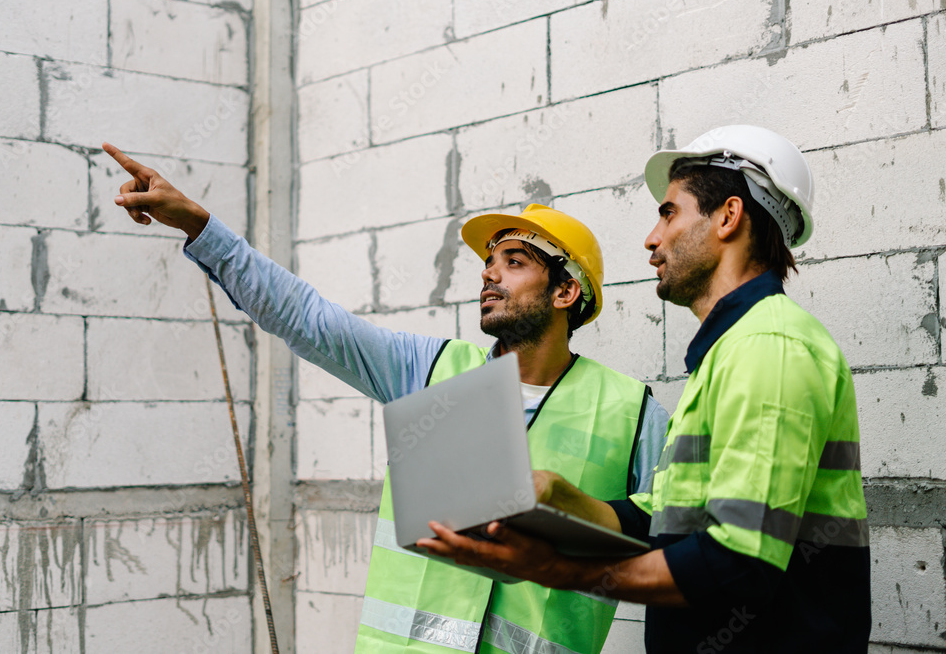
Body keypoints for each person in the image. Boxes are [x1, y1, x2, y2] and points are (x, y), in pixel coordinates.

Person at [101, 142, 670, 654]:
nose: (489, 276)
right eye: (488, 264)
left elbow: (677, 543)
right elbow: (307, 318)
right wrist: (201, 228)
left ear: (566, 290)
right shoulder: (430, 371)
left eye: (514, 262)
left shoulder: (633, 413)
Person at [417, 125, 871, 653]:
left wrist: (556, 569)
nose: (652, 239)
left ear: (728, 216)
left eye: (669, 212)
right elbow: (661, 517)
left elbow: (738, 563)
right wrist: (556, 497)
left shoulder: (770, 347)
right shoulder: (729, 352)